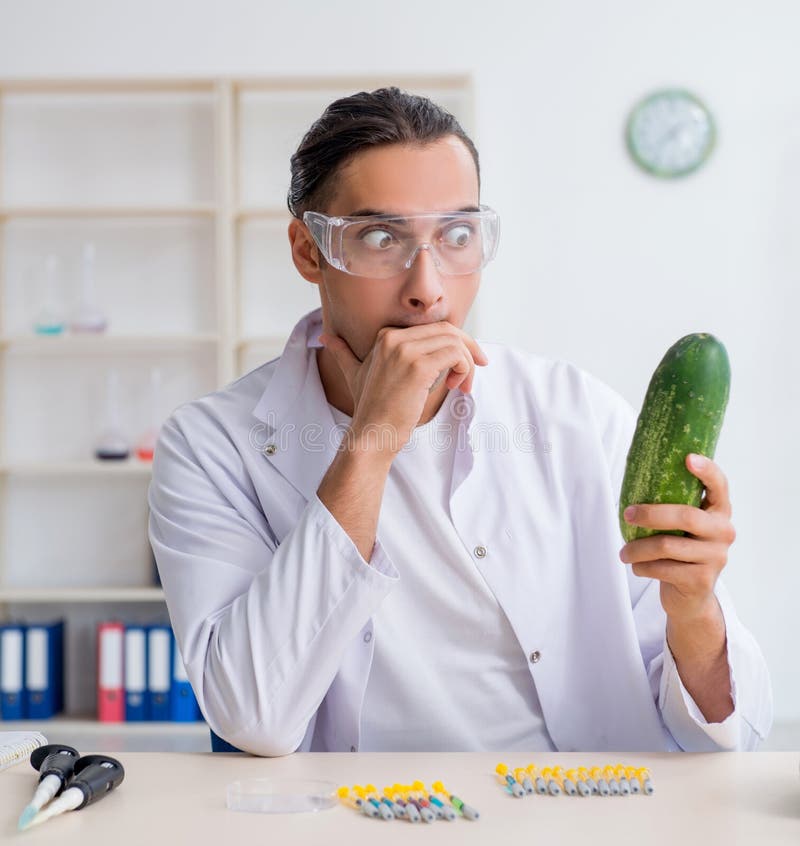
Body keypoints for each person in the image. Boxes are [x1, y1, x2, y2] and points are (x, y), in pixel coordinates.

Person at [148, 87, 772, 755]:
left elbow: (731, 737)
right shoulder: (211, 446)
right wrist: (371, 443)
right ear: (308, 251)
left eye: (457, 235)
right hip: (369, 820)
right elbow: (252, 717)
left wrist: (695, 608)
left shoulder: (578, 414)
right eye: (381, 237)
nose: (429, 288)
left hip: (584, 811)